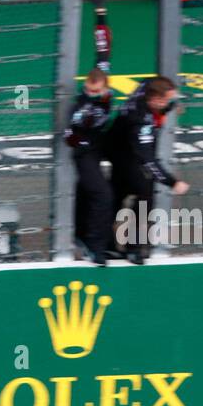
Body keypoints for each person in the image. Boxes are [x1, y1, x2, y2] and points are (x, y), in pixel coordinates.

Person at [105, 75, 190, 265]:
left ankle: (110, 244)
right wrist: (173, 182)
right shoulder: (141, 121)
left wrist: (170, 106)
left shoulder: (147, 87)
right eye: (167, 100)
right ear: (155, 99)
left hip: (119, 147)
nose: (170, 102)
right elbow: (148, 160)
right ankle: (132, 248)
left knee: (118, 196)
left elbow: (154, 81)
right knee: (144, 195)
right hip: (125, 154)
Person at [65, 69, 113, 266]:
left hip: (100, 143)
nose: (90, 94)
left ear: (105, 88)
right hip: (84, 152)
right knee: (103, 195)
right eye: (88, 90)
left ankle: (86, 234)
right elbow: (68, 135)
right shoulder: (81, 106)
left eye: (95, 91)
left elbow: (103, 54)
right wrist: (82, 143)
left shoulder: (106, 94)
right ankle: (94, 246)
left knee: (88, 191)